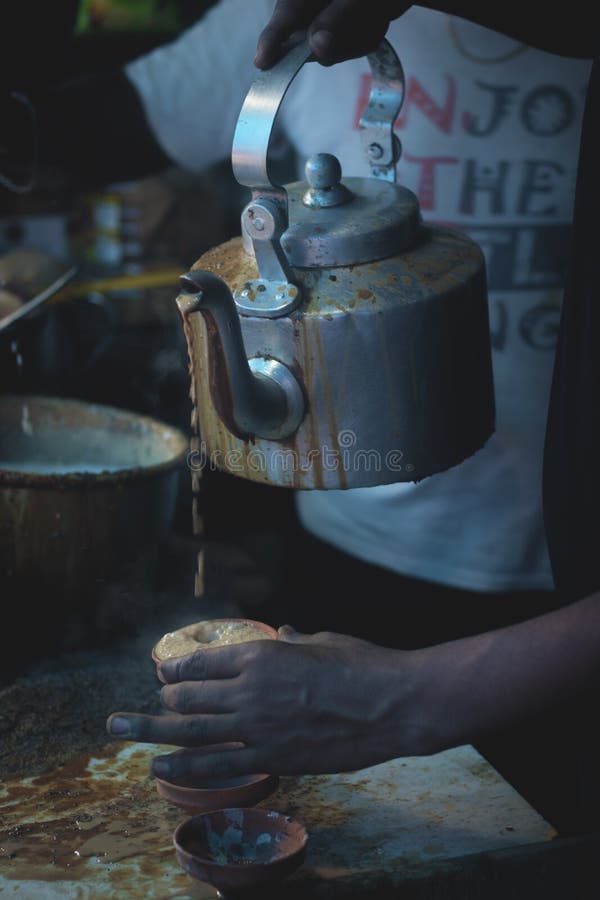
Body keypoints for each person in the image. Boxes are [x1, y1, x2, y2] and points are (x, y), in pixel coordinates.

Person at [105, 1, 600, 838]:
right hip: (360, 567)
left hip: (562, 583)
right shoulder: (306, 18)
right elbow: (104, 123)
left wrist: (398, 703)